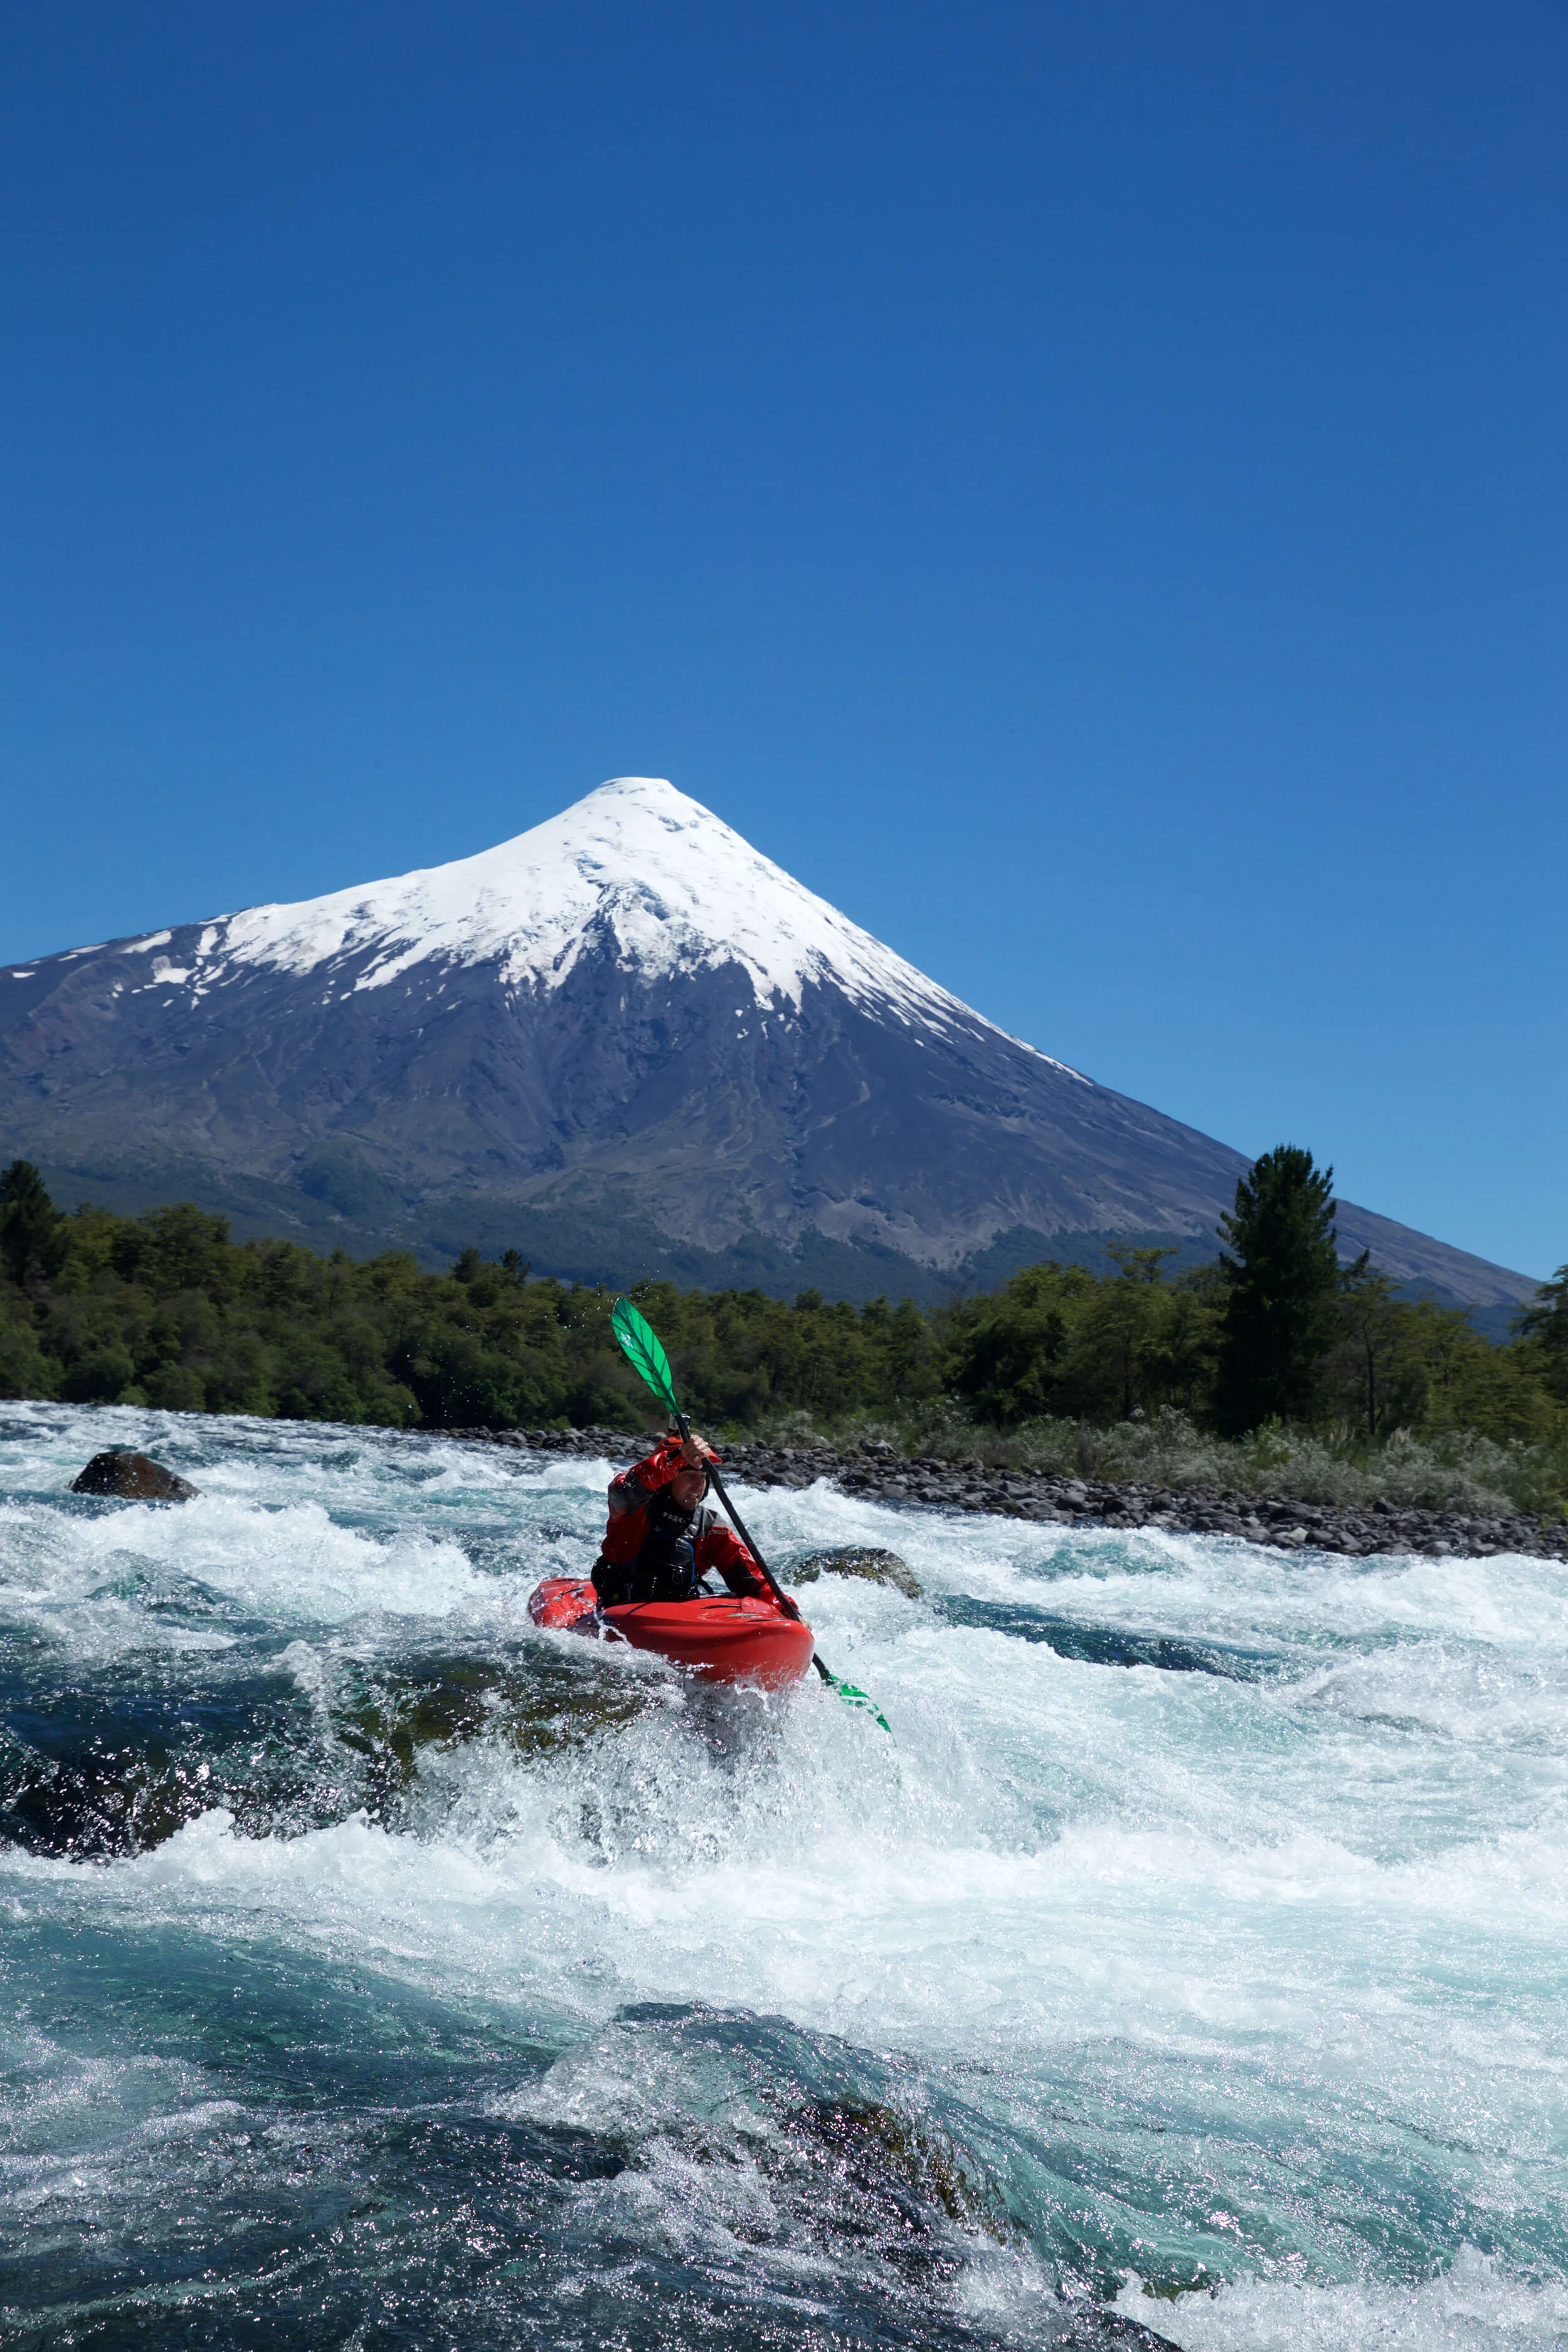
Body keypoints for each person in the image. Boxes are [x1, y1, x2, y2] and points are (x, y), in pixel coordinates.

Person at [591, 1429, 766, 1607]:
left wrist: (783, 1609)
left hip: (679, 1611)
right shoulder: (632, 1508)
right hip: (619, 1608)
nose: (699, 1485)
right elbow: (631, 1487)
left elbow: (751, 1577)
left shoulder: (709, 1524)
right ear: (667, 1480)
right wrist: (676, 1459)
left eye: (703, 1476)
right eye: (690, 1475)